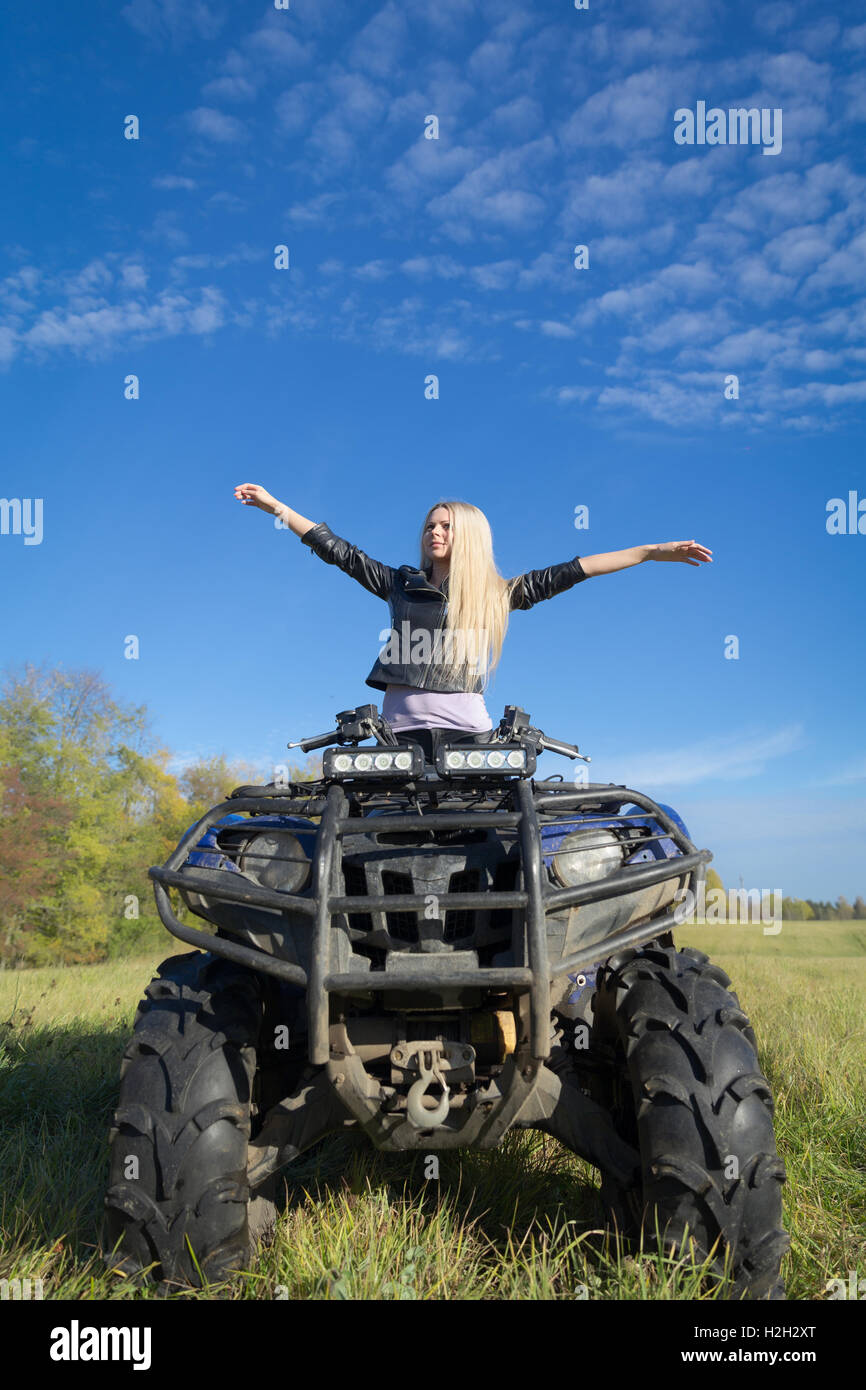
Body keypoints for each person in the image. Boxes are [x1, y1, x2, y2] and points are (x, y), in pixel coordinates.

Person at [233, 485, 711, 761]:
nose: (435, 532)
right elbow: (340, 552)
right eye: (429, 526)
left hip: (471, 733)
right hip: (398, 731)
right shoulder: (400, 584)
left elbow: (576, 569)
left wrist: (648, 553)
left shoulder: (497, 595)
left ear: (469, 536)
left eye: (446, 526)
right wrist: (279, 509)